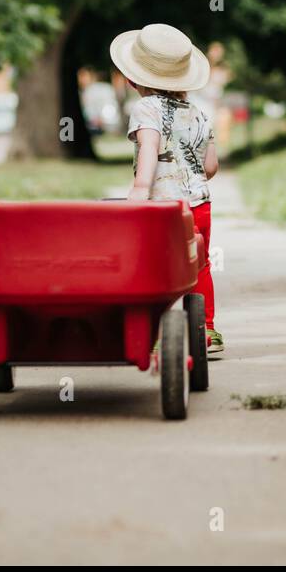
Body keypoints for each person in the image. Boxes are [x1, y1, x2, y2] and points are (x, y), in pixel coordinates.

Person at [109, 23, 223, 359]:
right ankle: (207, 330)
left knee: (155, 266)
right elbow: (211, 166)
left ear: (133, 80)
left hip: (163, 209)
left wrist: (141, 187)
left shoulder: (146, 109)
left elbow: (149, 146)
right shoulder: (201, 114)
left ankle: (159, 333)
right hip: (200, 206)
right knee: (198, 265)